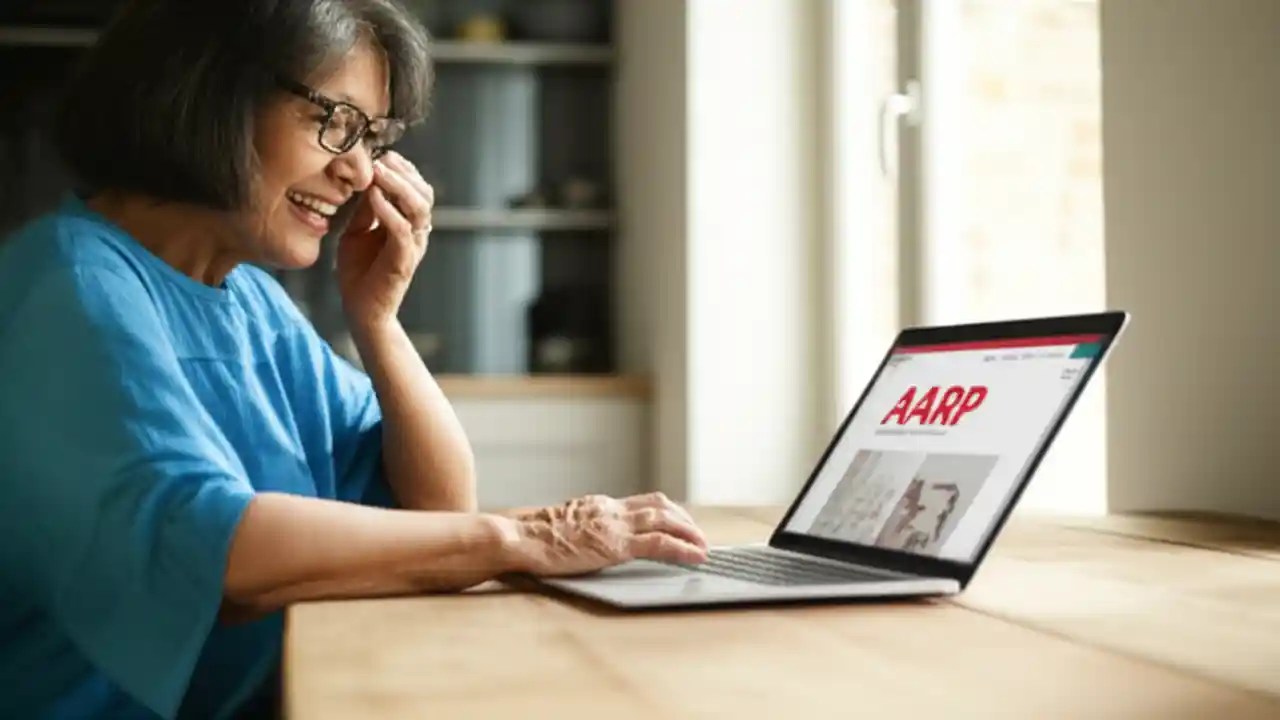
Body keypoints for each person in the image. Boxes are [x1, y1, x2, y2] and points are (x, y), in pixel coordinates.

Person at [0, 1, 708, 717]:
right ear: (210, 92)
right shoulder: (70, 288)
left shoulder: (250, 299)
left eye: (372, 136)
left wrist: (378, 322)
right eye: (335, 121)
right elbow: (219, 555)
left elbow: (436, 510)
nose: (360, 171)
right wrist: (522, 537)